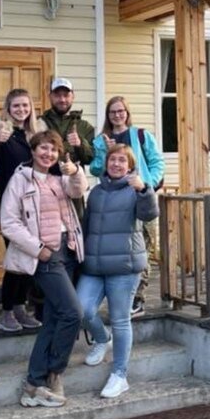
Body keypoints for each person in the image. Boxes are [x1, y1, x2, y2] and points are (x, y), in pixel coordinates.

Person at [0, 130, 88, 407]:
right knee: (73, 313)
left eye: (53, 150)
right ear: (33, 151)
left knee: (53, 318)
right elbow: (9, 223)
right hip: (46, 257)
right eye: (43, 148)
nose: (48, 154)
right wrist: (39, 249)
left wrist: (75, 172)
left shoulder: (58, 179)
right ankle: (55, 372)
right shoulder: (20, 179)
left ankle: (34, 383)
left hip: (68, 251)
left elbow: (78, 190)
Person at [78, 144, 159, 398]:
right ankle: (102, 339)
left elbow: (150, 214)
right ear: (106, 163)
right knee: (81, 309)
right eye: (112, 159)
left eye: (122, 160)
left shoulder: (136, 190)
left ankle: (120, 375)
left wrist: (144, 190)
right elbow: (87, 225)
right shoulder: (96, 192)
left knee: (120, 320)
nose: (116, 164)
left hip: (124, 266)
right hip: (94, 265)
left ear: (130, 166)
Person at [90, 96, 165, 317]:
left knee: (144, 247)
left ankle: (138, 298)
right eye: (112, 112)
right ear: (108, 115)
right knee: (122, 249)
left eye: (121, 111)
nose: (117, 115)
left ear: (127, 113)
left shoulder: (141, 135)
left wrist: (146, 184)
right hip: (115, 203)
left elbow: (157, 162)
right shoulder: (101, 140)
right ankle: (123, 297)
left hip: (140, 198)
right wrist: (105, 152)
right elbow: (96, 169)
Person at [0, 89, 46, 333]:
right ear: (8, 108)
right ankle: (7, 312)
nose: (21, 110)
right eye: (16, 106)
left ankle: (21, 307)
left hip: (36, 202)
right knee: (16, 255)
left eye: (25, 105)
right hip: (11, 203)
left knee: (31, 254)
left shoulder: (36, 135)